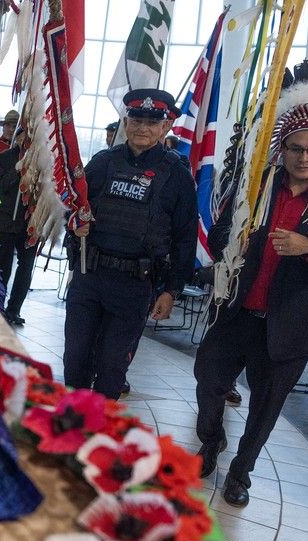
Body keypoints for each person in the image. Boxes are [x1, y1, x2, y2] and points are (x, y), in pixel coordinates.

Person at [194, 59, 308, 507]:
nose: (304, 157)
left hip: (291, 325)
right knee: (207, 379)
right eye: (296, 148)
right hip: (237, 312)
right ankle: (211, 440)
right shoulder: (256, 184)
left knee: (265, 407)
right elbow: (218, 236)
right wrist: (232, 239)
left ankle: (241, 472)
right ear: (283, 147)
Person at [63, 89, 197, 398]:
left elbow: (185, 236)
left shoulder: (176, 174)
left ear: (166, 127)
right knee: (75, 362)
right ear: (126, 121)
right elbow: (73, 208)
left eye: (152, 122)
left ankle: (97, 436)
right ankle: (69, 433)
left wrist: (171, 290)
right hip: (90, 277)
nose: (142, 128)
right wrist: (74, 226)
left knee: (112, 367)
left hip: (134, 285)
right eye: (136, 120)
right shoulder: (102, 163)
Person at [0, 127, 34, 326]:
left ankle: (14, 309)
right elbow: (0, 186)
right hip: (6, 221)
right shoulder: (6, 157)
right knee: (3, 268)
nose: (26, 140)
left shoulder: (43, 160)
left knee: (25, 269)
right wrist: (19, 169)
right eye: (23, 135)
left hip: (30, 223)